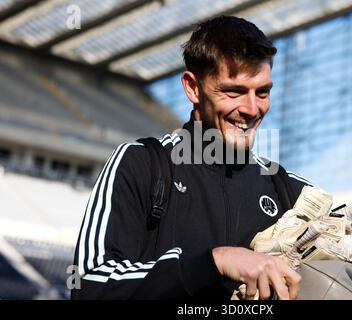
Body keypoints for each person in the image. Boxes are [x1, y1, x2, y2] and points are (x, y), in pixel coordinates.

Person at [71, 16, 313, 300]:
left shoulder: (291, 193)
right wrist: (215, 263)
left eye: (262, 92)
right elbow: (88, 286)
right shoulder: (141, 164)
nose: (251, 109)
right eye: (233, 91)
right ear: (192, 88)